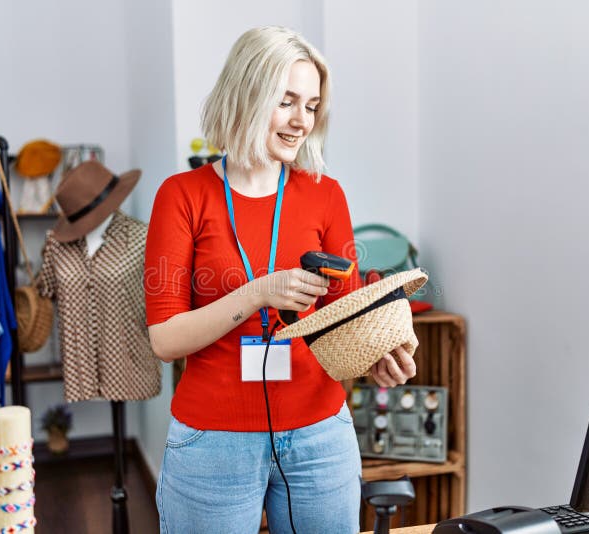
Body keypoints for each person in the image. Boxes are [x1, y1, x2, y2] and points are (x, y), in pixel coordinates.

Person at [144, 26, 417, 533]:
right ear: (246, 95)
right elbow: (164, 339)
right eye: (286, 101)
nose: (301, 121)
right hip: (212, 441)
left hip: (320, 438)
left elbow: (344, 319)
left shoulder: (325, 194)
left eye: (311, 106)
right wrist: (257, 293)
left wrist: (377, 356)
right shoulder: (181, 196)